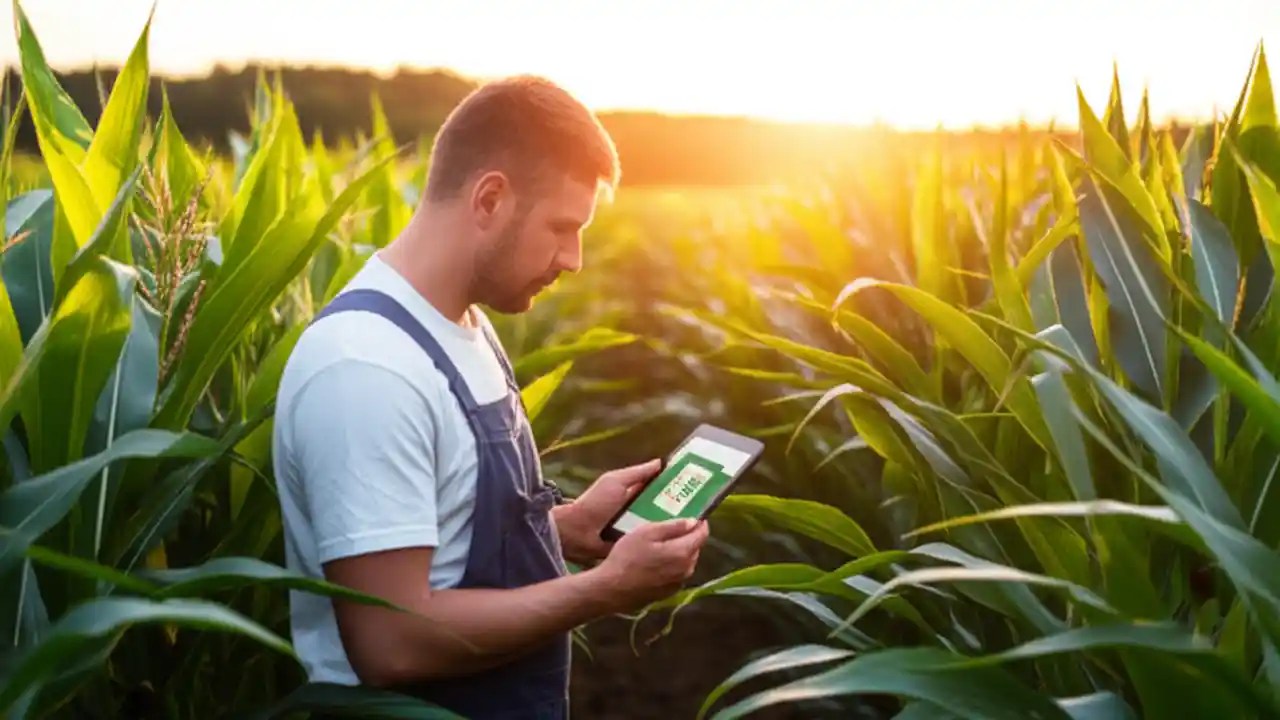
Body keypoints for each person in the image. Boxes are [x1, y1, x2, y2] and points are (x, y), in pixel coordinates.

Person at [271, 75, 711, 719]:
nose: (575, 258)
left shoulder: (464, 329)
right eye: (563, 227)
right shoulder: (366, 368)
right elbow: (392, 640)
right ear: (490, 199)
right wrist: (604, 590)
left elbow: (445, 547)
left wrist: (567, 530)